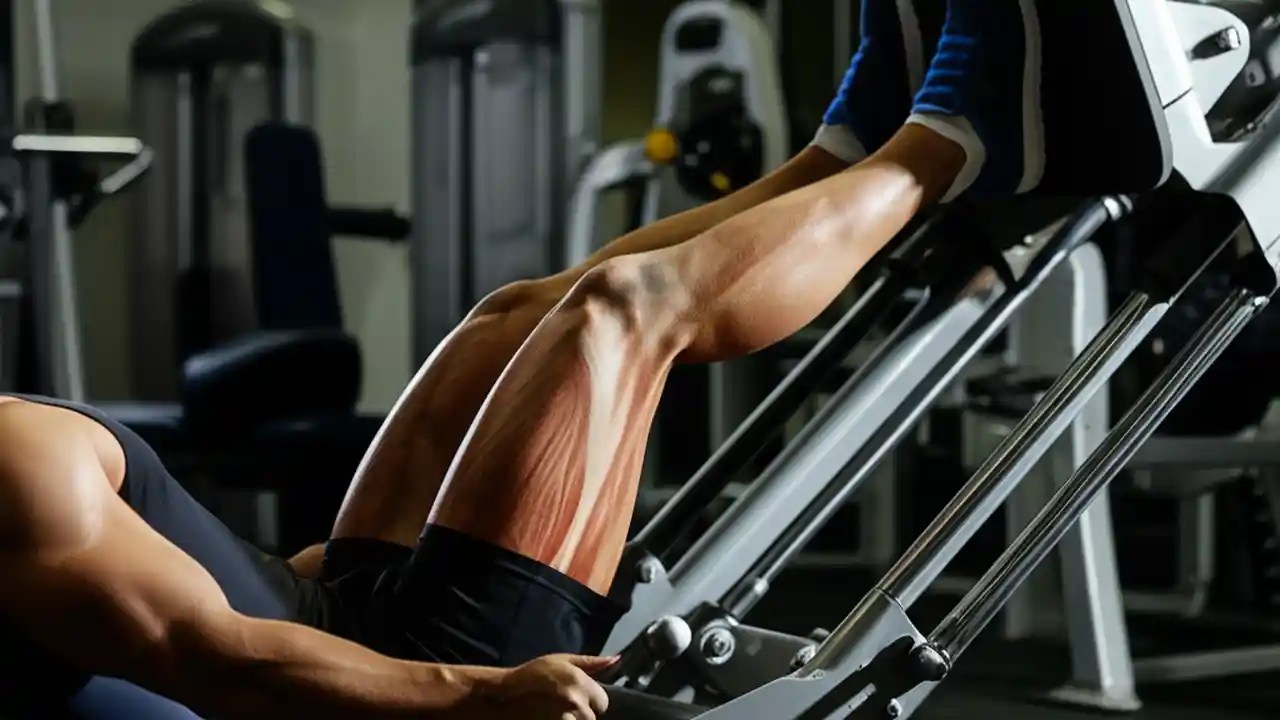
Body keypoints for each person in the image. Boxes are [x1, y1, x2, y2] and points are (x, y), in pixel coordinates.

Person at [0, 0, 1043, 717]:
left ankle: (839, 156)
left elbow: (174, 618)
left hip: (336, 621)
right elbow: (210, 666)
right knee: (620, 312)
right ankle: (955, 144)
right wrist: (482, 696)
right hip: (408, 678)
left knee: (508, 320)